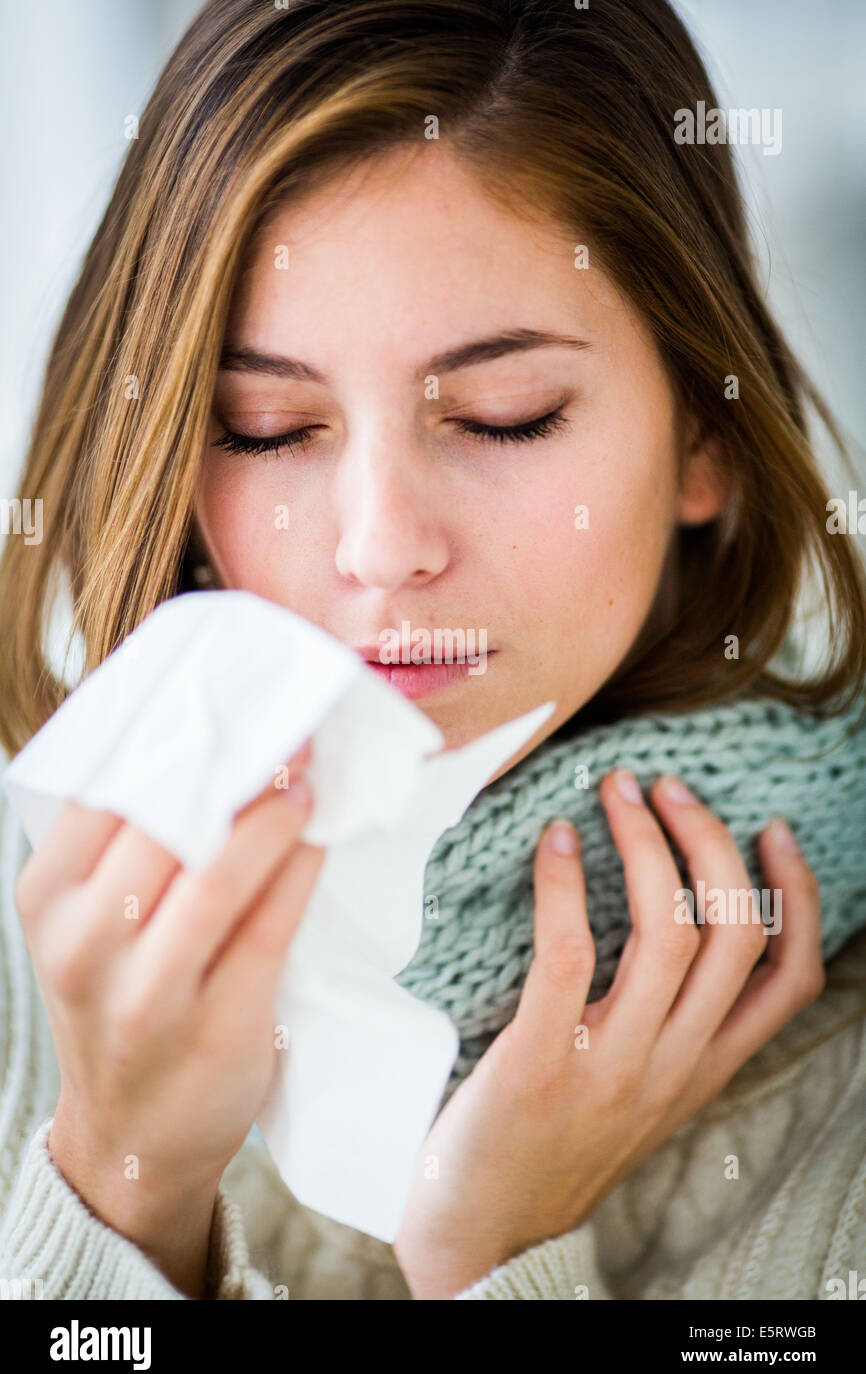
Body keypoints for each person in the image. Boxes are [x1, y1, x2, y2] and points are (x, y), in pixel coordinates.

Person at [0, 0, 864, 1301]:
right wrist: (121, 1186)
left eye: (502, 417)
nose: (379, 545)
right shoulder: (42, 943)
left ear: (706, 439)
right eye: (266, 426)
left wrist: (500, 1262)